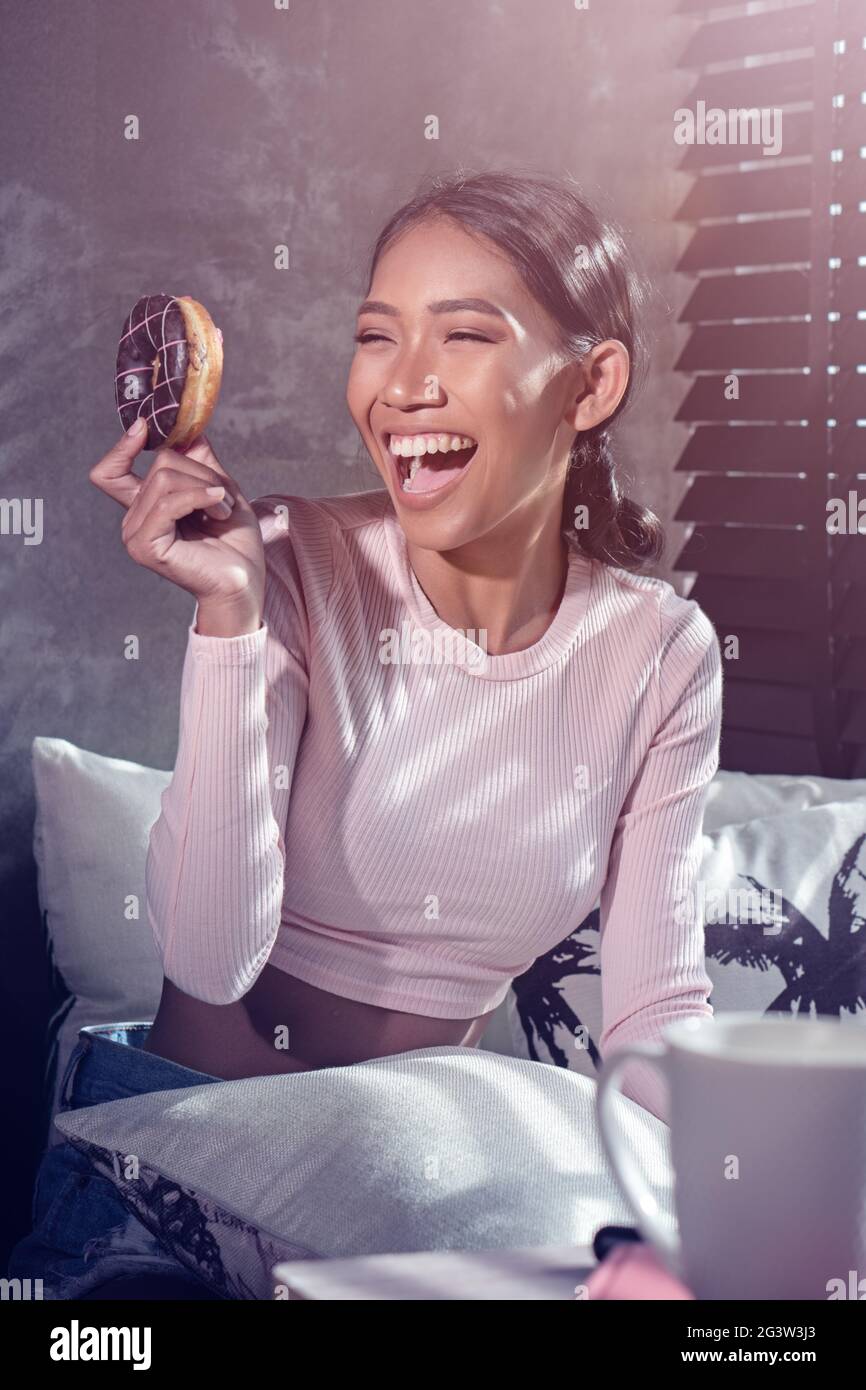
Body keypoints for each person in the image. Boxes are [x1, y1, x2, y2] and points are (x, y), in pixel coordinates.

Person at [11, 170, 723, 1298]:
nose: (405, 386)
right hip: (176, 1173)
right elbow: (205, 954)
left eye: (464, 336)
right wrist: (229, 622)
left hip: (430, 1200)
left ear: (590, 385)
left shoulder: (659, 652)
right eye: (375, 336)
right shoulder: (289, 559)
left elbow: (652, 1020)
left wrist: (753, 1189)